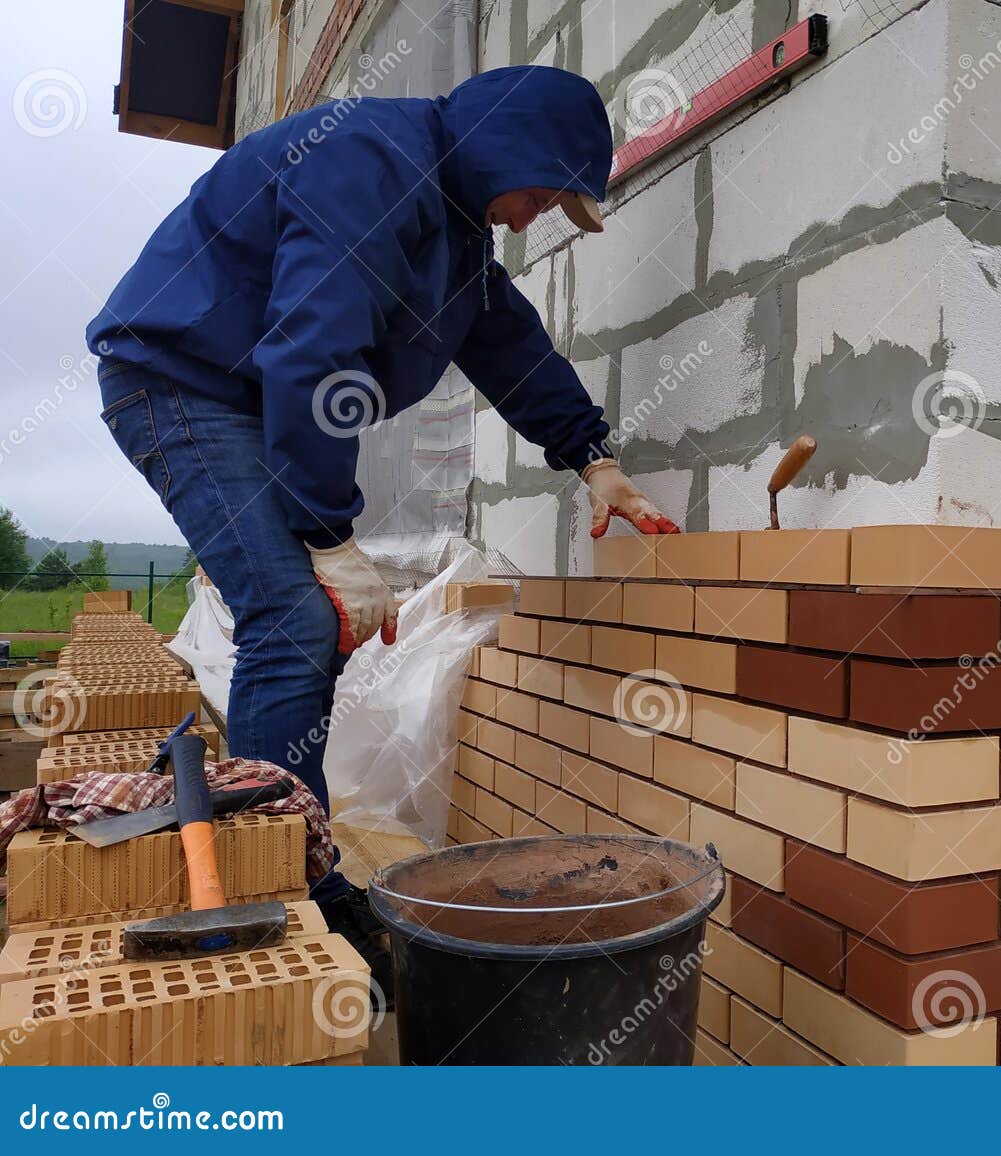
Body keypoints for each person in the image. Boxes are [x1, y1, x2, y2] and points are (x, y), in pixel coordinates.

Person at [86, 65, 680, 990]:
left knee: (308, 624)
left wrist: (592, 456)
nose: (529, 219)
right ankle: (287, 888)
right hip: (180, 382)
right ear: (509, 148)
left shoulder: (452, 228)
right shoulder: (369, 162)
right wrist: (330, 537)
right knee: (295, 619)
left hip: (242, 395)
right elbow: (313, 354)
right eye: (541, 195)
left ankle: (290, 856)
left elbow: (510, 344)